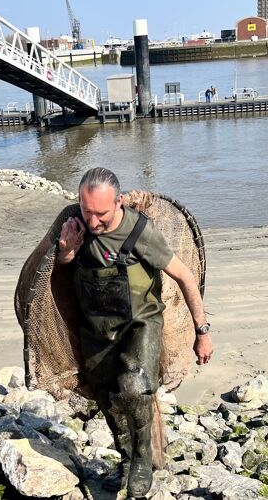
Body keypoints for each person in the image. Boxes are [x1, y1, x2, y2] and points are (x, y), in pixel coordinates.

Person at [56, 167, 212, 497]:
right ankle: (126, 458)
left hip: (141, 323)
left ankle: (143, 458)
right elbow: (60, 271)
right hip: (97, 329)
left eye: (101, 214)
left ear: (119, 202)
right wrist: (68, 249)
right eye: (87, 212)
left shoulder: (140, 231)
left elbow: (184, 275)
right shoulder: (75, 224)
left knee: (135, 383)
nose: (93, 222)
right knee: (106, 397)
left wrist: (202, 331)